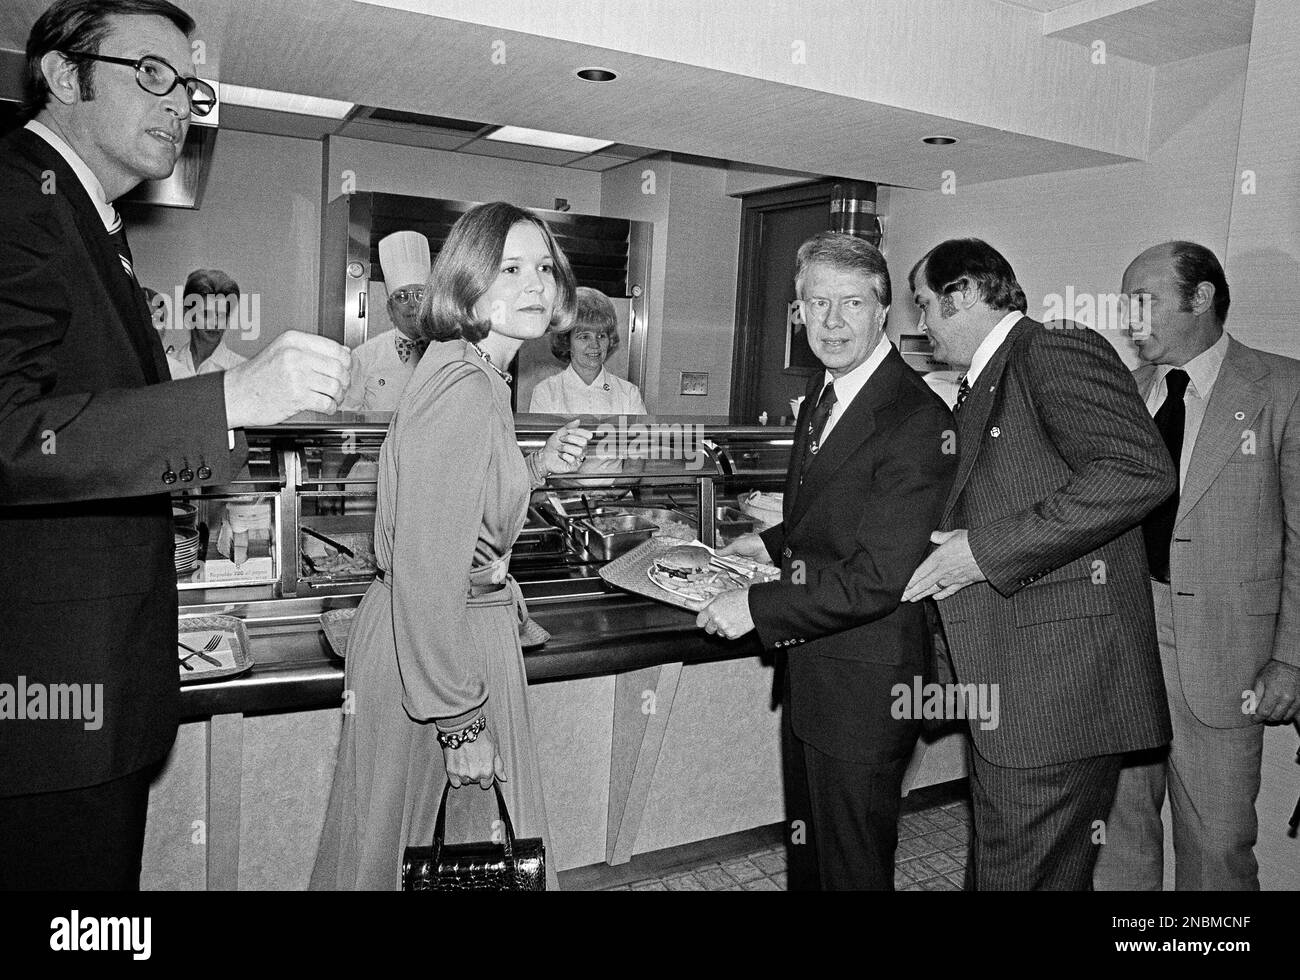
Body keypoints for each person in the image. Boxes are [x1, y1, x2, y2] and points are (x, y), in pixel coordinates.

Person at [0, 0, 351, 890]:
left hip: (91, 679)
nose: (180, 104)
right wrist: (231, 398)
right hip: (45, 696)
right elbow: (9, 430)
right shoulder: (17, 194)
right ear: (64, 75)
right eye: (151, 73)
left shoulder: (90, 220)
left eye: (189, 85)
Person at [311, 202, 592, 890]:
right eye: (511, 268)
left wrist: (535, 469)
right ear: (468, 281)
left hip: (443, 644)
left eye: (545, 269)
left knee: (408, 855)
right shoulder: (465, 385)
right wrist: (462, 722)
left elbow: (457, 514)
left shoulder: (475, 371)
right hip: (440, 652)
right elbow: (428, 567)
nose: (536, 286)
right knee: (420, 859)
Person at [901, 238, 1175, 890]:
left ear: (964, 292)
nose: (922, 324)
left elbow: (1136, 472)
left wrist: (981, 553)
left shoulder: (1051, 346)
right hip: (1020, 683)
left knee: (1015, 876)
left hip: (1053, 693)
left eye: (925, 304)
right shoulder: (985, 382)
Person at [697, 232, 956, 890]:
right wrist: (768, 544)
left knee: (852, 871)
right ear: (799, 309)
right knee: (812, 864)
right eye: (816, 304)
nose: (832, 322)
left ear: (883, 311)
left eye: (851, 303)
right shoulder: (825, 388)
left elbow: (879, 575)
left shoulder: (915, 418)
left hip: (867, 687)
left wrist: (754, 606)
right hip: (816, 672)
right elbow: (835, 516)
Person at [1093, 242, 1300, 891]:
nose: (1130, 316)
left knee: (1217, 847)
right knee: (1118, 832)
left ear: (1201, 297)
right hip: (1124, 639)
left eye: (1144, 299)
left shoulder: (1282, 390)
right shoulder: (1124, 395)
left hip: (1224, 655)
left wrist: (1291, 658)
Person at [341, 230, 432, 412]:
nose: (412, 305)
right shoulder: (364, 356)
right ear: (390, 309)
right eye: (402, 296)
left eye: (419, 295)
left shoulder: (449, 352)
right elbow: (346, 417)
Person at [528, 286, 647, 415]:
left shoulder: (629, 394)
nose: (595, 345)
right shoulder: (547, 392)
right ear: (566, 341)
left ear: (610, 340)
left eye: (601, 336)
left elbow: (640, 435)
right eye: (584, 337)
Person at [164, 268, 248, 378]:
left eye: (221, 315)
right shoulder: (167, 366)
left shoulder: (241, 370)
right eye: (207, 314)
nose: (215, 323)